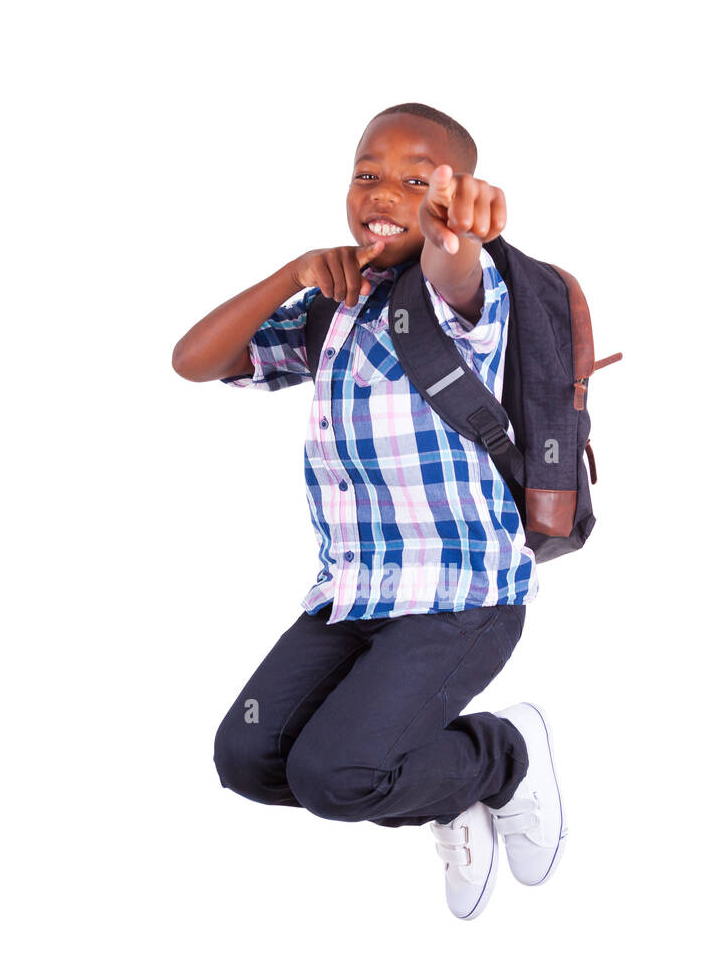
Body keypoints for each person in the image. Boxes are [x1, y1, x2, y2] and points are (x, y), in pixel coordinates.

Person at [171, 102, 567, 920]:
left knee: (338, 778)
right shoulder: (333, 306)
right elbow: (194, 361)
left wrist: (455, 232)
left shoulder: (466, 291)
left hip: (459, 597)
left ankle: (504, 756)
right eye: (367, 174)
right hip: (352, 594)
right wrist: (293, 274)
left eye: (416, 180)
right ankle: (446, 783)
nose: (384, 193)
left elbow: (456, 267)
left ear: (449, 194)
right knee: (248, 754)